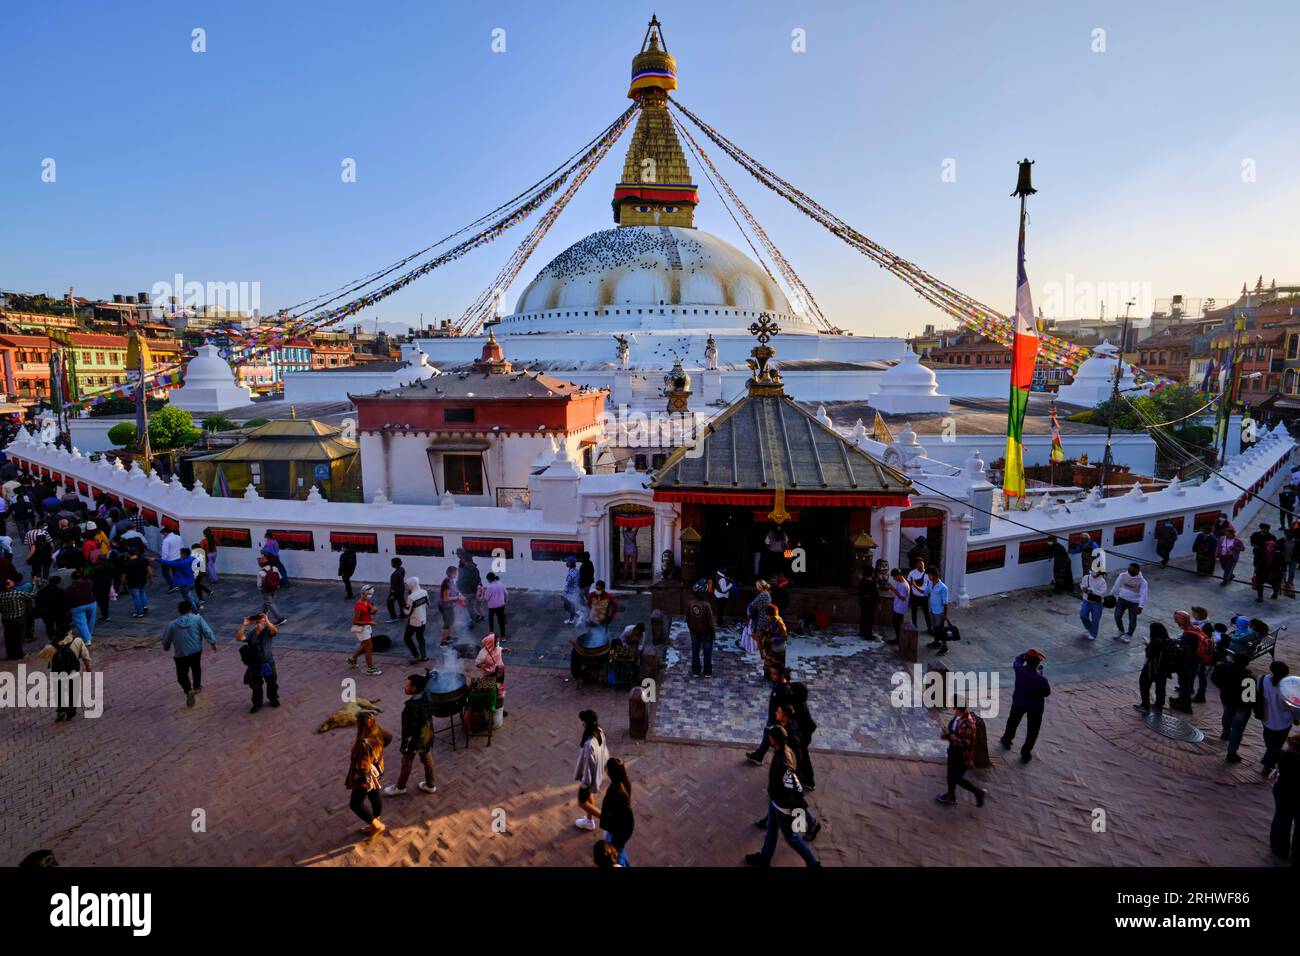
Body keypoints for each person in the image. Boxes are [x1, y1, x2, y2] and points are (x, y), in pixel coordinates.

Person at [744, 724, 820, 867]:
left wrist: (795, 808)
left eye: (770, 736)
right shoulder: (784, 751)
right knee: (771, 830)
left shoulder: (783, 763)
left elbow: (797, 789)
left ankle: (813, 864)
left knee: (792, 838)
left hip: (783, 807)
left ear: (774, 740)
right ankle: (764, 859)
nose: (768, 737)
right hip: (775, 802)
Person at [382, 674, 437, 797]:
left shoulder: (412, 707)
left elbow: (408, 730)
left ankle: (400, 787)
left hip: (414, 740)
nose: (405, 687)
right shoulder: (427, 694)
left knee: (406, 762)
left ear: (414, 688)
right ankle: (430, 785)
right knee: (427, 758)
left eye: (407, 685)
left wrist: (405, 746)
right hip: (427, 734)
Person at [160, 599, 218, 708]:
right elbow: (207, 631)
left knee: (181, 673)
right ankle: (197, 686)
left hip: (181, 652)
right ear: (190, 609)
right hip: (196, 649)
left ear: (179, 611)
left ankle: (188, 689)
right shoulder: (197, 619)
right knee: (196, 667)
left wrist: (166, 646)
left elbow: (166, 639)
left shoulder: (172, 624)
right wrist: (213, 642)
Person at [344, 711, 392, 836]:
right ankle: (376, 819)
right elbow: (389, 738)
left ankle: (376, 825)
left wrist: (355, 776)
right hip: (378, 770)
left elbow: (363, 767)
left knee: (355, 804)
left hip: (365, 778)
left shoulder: (363, 744)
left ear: (360, 726)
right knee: (374, 794)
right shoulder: (377, 731)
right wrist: (378, 750)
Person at [999, 649, 1051, 762]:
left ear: (1027, 661)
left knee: (1012, 722)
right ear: (1037, 664)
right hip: (1035, 706)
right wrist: (1039, 676)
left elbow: (1017, 660)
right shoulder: (1042, 680)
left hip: (1019, 702)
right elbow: (1046, 693)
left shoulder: (1020, 670)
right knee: (1033, 730)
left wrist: (1025, 655)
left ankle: (1007, 739)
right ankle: (1026, 752)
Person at [936, 702, 987, 807]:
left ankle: (978, 792)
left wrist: (949, 735)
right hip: (953, 751)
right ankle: (951, 796)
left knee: (957, 778)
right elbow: (951, 730)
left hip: (962, 755)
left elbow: (965, 743)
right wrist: (946, 734)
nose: (952, 708)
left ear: (958, 707)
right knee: (950, 775)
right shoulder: (957, 717)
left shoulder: (969, 724)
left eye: (954, 706)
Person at [39, 621, 92, 722]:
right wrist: (88, 667)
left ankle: (61, 710)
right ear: (68, 632)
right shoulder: (78, 641)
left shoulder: (52, 646)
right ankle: (71, 713)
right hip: (73, 672)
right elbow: (86, 656)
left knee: (59, 692)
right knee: (73, 692)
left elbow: (41, 655)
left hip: (57, 673)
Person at [746, 665, 793, 765]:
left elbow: (783, 707)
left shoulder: (782, 689)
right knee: (767, 737)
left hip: (775, 718)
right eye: (771, 673)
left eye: (774, 674)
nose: (772, 676)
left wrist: (778, 719)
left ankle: (760, 756)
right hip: (773, 716)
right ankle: (758, 755)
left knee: (770, 737)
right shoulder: (778, 685)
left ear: (781, 675)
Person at [1213, 651, 1254, 763]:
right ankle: (1231, 752)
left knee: (1227, 714)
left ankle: (1225, 732)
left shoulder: (1223, 668)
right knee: (1237, 729)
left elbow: (1214, 679)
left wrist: (1222, 687)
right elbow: (1250, 699)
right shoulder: (1249, 678)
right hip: (1241, 706)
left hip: (1226, 698)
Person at [1258, 661, 1300, 773]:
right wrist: (1297, 718)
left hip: (1267, 719)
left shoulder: (1262, 679)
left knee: (1270, 744)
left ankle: (1268, 764)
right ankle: (1269, 765)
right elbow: (1294, 707)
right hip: (1284, 722)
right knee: (1276, 745)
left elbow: (1257, 694)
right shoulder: (1289, 687)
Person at [236, 611, 280, 712]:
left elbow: (275, 630)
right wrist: (244, 625)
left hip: (268, 662)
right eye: (257, 622)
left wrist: (267, 620)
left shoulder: (268, 632)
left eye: (261, 622)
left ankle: (273, 699)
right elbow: (239, 638)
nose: (258, 624)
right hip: (255, 664)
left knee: (272, 683)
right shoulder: (251, 634)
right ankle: (257, 703)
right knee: (255, 685)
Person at [574, 709, 609, 831]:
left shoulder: (589, 744)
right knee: (589, 795)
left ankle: (607, 821)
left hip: (588, 777)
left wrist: (585, 783)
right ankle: (589, 821)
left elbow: (588, 767)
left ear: (585, 723)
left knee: (581, 802)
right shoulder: (600, 731)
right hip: (597, 771)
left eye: (582, 721)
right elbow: (605, 752)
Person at [1268, 736, 1300, 862]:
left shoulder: (1284, 757)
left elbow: (1274, 753)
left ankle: (1279, 849)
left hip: (1284, 792)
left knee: (1281, 819)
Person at [1166, 610, 1204, 714]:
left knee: (1184, 684)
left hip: (1188, 663)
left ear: (1183, 619)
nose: (1175, 621)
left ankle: (1185, 705)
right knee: (1185, 683)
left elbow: (1185, 651)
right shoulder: (1195, 628)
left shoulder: (1188, 635)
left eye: (1177, 619)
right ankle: (1181, 700)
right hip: (1194, 662)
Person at [600, 757, 634, 867]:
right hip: (625, 826)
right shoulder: (625, 783)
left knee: (616, 854)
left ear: (610, 772)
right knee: (620, 848)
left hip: (618, 829)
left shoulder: (613, 792)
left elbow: (606, 813)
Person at [1135, 622, 1174, 713]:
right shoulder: (1167, 640)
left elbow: (1150, 654)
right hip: (1163, 668)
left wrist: (1147, 645)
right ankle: (1159, 705)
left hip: (1152, 667)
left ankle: (1145, 705)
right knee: (1160, 687)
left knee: (1144, 684)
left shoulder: (1156, 641)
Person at [347, 584, 382, 675]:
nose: (370, 595)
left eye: (371, 594)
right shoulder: (359, 606)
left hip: (367, 628)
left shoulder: (367, 601)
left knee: (364, 644)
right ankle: (370, 668)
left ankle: (353, 659)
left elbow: (370, 611)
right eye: (369, 594)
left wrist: (374, 611)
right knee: (369, 647)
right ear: (363, 594)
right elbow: (355, 621)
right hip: (362, 629)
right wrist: (369, 622)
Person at [1109, 562, 1147, 642]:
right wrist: (1111, 594)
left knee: (1132, 620)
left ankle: (1129, 634)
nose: (1129, 571)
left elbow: (1144, 594)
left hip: (1134, 603)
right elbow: (1117, 585)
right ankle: (1121, 630)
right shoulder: (1123, 575)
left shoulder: (1143, 581)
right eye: (1129, 569)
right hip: (1122, 600)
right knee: (1117, 615)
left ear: (1137, 570)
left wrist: (1141, 606)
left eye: (1132, 570)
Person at [685, 579, 716, 678]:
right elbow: (710, 623)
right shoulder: (706, 605)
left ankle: (695, 671)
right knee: (707, 653)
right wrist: (713, 633)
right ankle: (707, 672)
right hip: (706, 633)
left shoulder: (690, 604)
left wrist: (691, 630)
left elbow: (688, 619)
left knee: (695, 652)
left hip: (694, 632)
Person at [0, 576, 32, 660]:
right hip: (18, 618)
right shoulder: (16, 593)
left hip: (6, 619)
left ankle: (10, 655)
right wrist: (35, 584)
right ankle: (20, 654)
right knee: (19, 637)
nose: (12, 582)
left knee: (9, 637)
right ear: (7, 586)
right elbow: (31, 595)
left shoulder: (1, 595)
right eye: (10, 582)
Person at [158, 547, 199, 612]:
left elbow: (170, 563)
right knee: (189, 596)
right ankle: (197, 605)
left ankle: (195, 612)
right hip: (192, 582)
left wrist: (157, 559)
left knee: (188, 599)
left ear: (184, 554)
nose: (180, 555)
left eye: (181, 554)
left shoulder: (182, 563)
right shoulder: (192, 559)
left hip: (184, 584)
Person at [34, 575, 70, 642]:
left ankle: (51, 639)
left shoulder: (41, 592)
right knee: (60, 625)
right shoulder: (61, 591)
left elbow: (37, 603)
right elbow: (66, 603)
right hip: (59, 612)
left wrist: (41, 612)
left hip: (46, 613)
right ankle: (60, 638)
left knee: (49, 626)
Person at [402, 576, 429, 663]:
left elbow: (407, 611)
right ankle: (424, 656)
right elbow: (427, 605)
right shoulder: (424, 592)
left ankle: (417, 655)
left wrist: (403, 610)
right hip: (423, 619)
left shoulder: (411, 597)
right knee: (420, 638)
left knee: (407, 638)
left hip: (414, 621)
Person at [925, 566, 952, 655]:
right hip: (932, 609)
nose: (928, 577)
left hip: (939, 612)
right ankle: (936, 642)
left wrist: (945, 614)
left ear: (935, 575)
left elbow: (945, 602)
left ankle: (945, 647)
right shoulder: (930, 583)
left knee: (941, 630)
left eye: (929, 575)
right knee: (935, 628)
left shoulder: (943, 587)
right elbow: (925, 592)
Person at [66, 571, 97, 647]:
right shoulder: (89, 583)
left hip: (77, 606)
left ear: (72, 578)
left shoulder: (70, 588)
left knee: (81, 622)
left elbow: (68, 598)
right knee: (91, 620)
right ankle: (88, 635)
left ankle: (87, 639)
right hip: (91, 603)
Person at [1079, 560, 1108, 641]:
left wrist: (1091, 590)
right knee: (1083, 615)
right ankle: (1089, 628)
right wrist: (1083, 588)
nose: (1093, 571)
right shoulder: (1086, 577)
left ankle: (1093, 634)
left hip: (1097, 603)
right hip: (1086, 600)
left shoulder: (1102, 582)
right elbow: (1082, 584)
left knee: (1095, 620)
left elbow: (1102, 592)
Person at [256, 556, 288, 627]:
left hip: (266, 590)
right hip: (275, 588)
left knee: (270, 603)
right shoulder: (274, 568)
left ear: (260, 564)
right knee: (267, 602)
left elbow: (259, 584)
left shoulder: (261, 572)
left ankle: (280, 619)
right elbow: (280, 577)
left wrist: (261, 590)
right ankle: (262, 616)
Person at [456, 549, 483, 625]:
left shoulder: (463, 569)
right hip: (475, 589)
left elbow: (461, 579)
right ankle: (479, 616)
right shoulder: (475, 569)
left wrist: (459, 585)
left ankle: (474, 619)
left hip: (468, 590)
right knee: (475, 604)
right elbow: (478, 579)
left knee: (469, 606)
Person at [759, 603, 788, 671]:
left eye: (767, 615)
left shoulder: (780, 624)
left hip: (776, 651)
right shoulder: (771, 621)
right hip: (770, 649)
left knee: (776, 668)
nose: (766, 616)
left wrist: (774, 639)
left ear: (771, 615)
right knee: (768, 666)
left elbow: (784, 637)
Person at [907, 558, 933, 634]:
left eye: (922, 564)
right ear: (916, 565)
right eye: (919, 564)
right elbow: (908, 582)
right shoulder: (912, 573)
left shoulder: (927, 573)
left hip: (924, 596)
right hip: (915, 596)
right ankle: (914, 626)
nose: (921, 565)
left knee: (926, 612)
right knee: (914, 611)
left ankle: (929, 627)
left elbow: (930, 583)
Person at [858, 564, 880, 639]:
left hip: (863, 602)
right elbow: (876, 594)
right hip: (870, 603)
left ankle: (862, 632)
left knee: (863, 617)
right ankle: (868, 635)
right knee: (869, 619)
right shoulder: (873, 583)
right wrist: (879, 603)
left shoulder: (862, 581)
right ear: (871, 574)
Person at [483, 571, 507, 640]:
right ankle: (503, 636)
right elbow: (506, 593)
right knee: (501, 620)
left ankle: (491, 633)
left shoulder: (490, 587)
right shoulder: (500, 584)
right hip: (501, 605)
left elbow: (486, 597)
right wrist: (505, 600)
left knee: (491, 619)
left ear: (489, 579)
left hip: (492, 606)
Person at [889, 568, 910, 644]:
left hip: (900, 608)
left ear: (898, 575)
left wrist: (893, 589)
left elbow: (902, 598)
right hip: (897, 607)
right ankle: (898, 638)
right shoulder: (900, 582)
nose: (894, 579)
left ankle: (898, 640)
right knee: (896, 624)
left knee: (897, 625)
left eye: (894, 577)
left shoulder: (904, 585)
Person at [438, 565, 458, 644]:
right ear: (451, 573)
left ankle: (448, 637)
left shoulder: (451, 580)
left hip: (449, 606)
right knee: (446, 624)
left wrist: (458, 594)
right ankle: (443, 642)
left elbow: (454, 590)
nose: (457, 574)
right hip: (445, 606)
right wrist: (457, 598)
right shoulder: (446, 582)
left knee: (451, 621)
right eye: (456, 573)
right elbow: (445, 598)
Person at [561, 556, 582, 626]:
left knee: (567, 606)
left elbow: (568, 585)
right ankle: (572, 618)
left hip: (571, 593)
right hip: (576, 591)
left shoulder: (570, 574)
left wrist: (563, 595)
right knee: (571, 605)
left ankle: (577, 615)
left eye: (567, 562)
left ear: (570, 563)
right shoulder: (576, 570)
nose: (566, 563)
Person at [385, 557, 406, 623]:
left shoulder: (394, 575)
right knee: (401, 601)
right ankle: (403, 614)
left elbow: (393, 587)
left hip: (396, 592)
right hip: (402, 588)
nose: (391, 564)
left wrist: (391, 594)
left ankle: (393, 617)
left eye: (392, 563)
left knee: (389, 602)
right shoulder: (402, 569)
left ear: (394, 564)